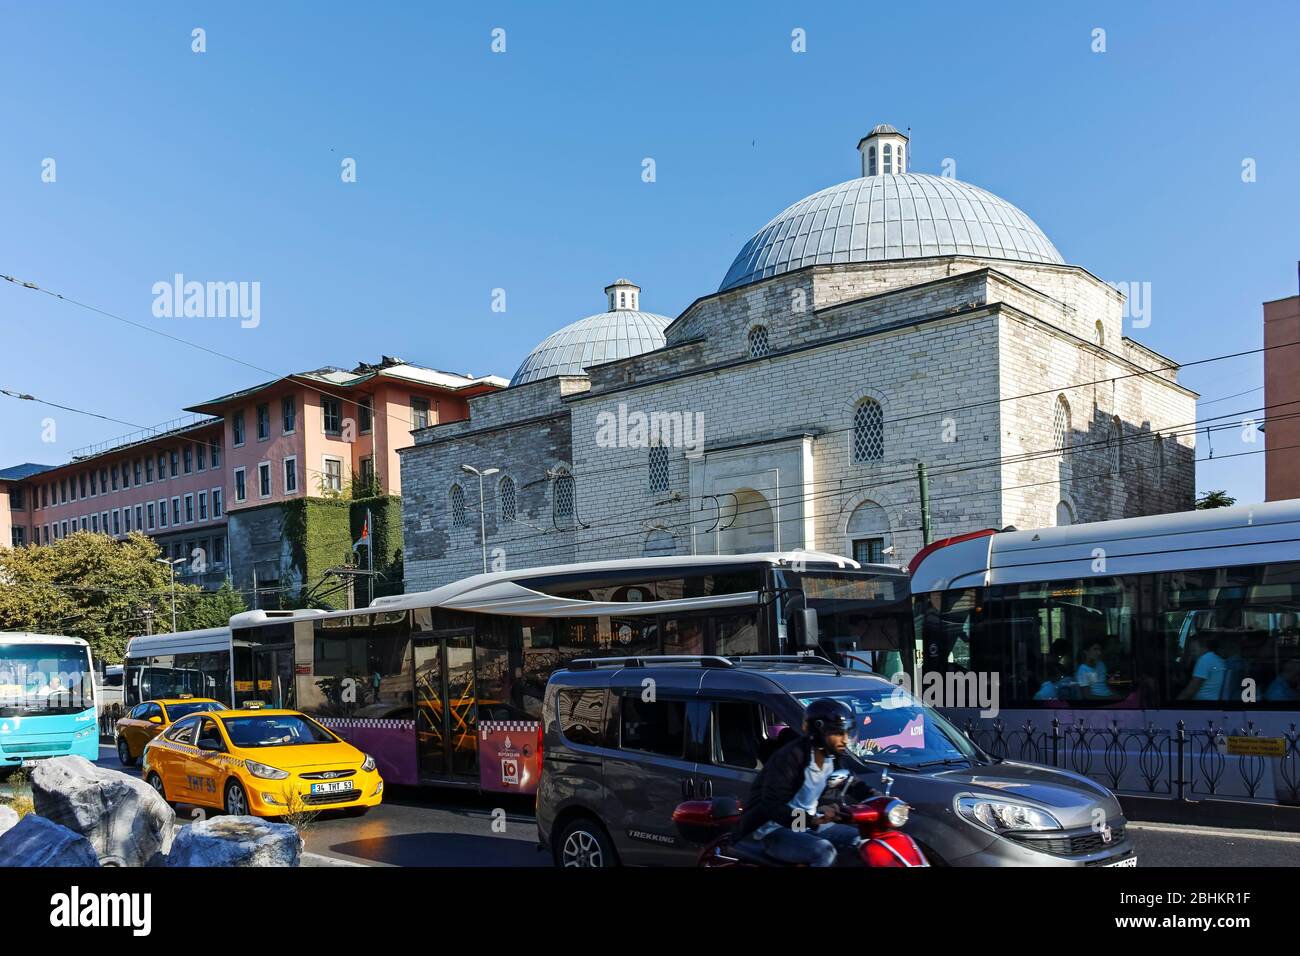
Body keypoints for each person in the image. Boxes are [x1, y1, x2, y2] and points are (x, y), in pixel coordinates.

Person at [734, 698, 863, 867]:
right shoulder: (790, 758)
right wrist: (813, 820)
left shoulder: (830, 756)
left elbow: (850, 782)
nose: (845, 739)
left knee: (858, 840)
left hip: (806, 825)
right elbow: (772, 807)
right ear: (820, 731)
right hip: (771, 830)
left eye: (846, 733)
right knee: (823, 851)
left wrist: (883, 800)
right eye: (838, 733)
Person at [1178, 635, 1227, 701]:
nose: (1192, 654)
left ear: (1203, 647)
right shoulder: (1217, 659)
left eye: (1194, 650)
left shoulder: (1204, 660)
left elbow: (1190, 691)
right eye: (1190, 651)